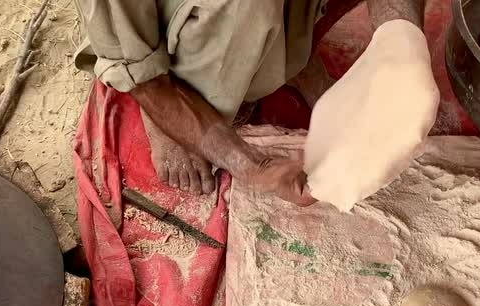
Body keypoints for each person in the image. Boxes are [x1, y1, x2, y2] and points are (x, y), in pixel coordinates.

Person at [73, 0, 427, 206]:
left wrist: (400, 41)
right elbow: (130, 57)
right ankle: (179, 99)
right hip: (164, 30)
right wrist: (248, 165)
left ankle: (289, 52)